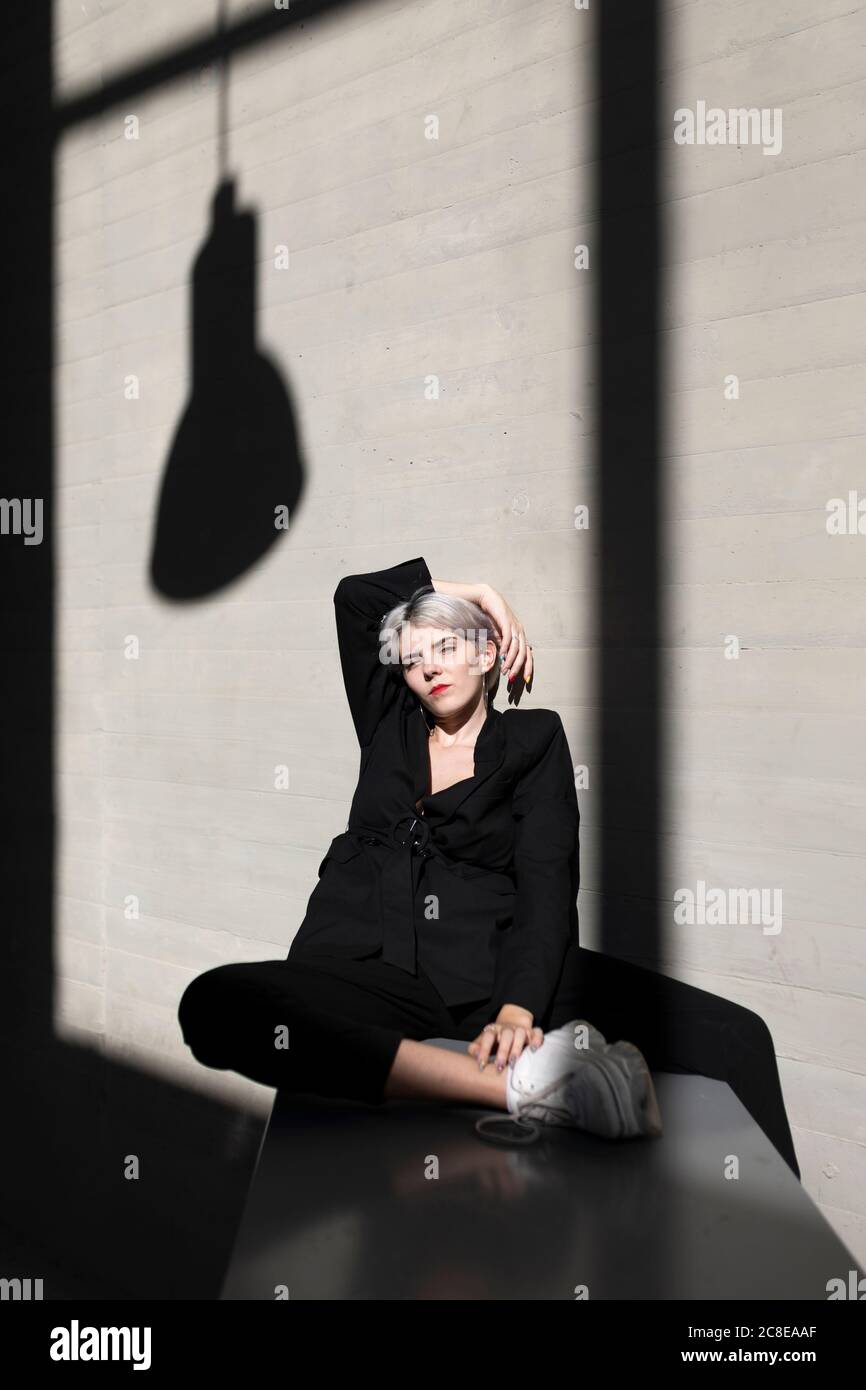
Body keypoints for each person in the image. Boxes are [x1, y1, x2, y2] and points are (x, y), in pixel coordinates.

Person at [178, 557, 800, 1176]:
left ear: (485, 654)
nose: (428, 666)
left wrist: (518, 1008)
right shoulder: (387, 721)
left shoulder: (533, 741)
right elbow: (355, 597)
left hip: (493, 968)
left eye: (448, 646)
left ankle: (788, 1261)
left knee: (735, 1037)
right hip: (367, 965)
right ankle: (524, 1086)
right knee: (216, 1003)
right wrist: (481, 591)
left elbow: (547, 882)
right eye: (415, 657)